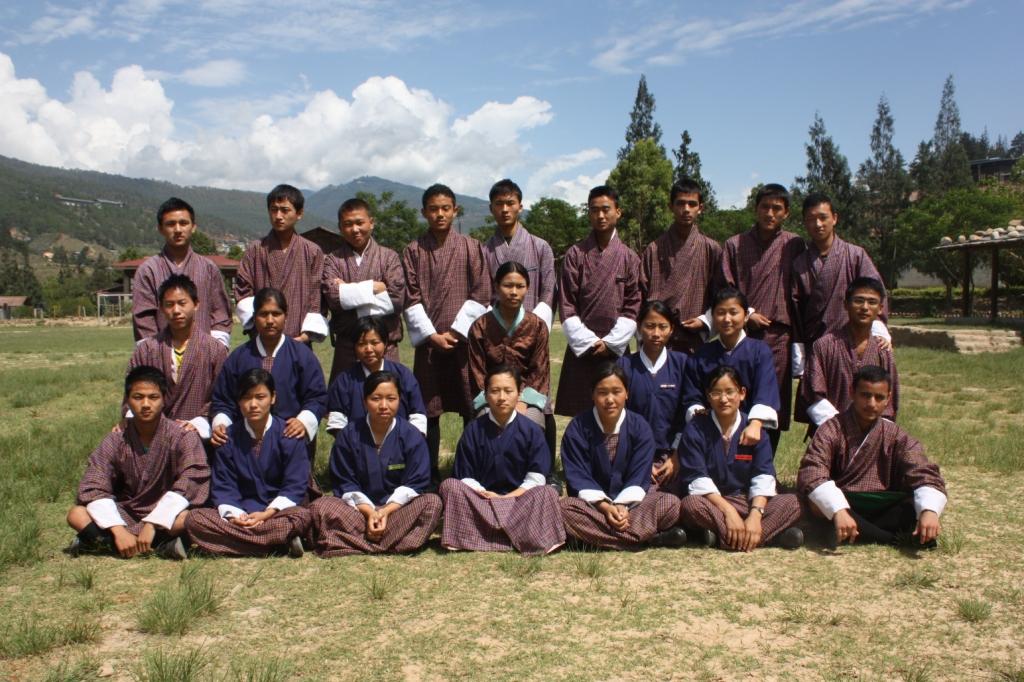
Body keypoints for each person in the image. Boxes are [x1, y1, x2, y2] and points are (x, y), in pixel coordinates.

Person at [66, 366, 209, 559]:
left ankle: (100, 544)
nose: (146, 404)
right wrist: (118, 530)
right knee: (76, 514)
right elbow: (93, 484)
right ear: (128, 400)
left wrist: (152, 523)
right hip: (127, 513)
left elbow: (193, 479)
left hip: (166, 514)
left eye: (153, 397)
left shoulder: (183, 437)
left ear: (164, 399)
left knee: (189, 519)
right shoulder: (117, 439)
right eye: (138, 397)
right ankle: (155, 547)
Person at [798, 365, 946, 549]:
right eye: (865, 395)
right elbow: (812, 472)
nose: (871, 404)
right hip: (844, 502)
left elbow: (924, 471)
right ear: (852, 393)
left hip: (882, 505)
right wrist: (838, 509)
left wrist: (929, 511)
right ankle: (890, 538)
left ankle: (849, 533)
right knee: (817, 505)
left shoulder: (895, 434)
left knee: (912, 505)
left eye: (879, 397)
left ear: (888, 399)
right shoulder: (831, 429)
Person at [401, 183, 491, 484]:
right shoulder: (413, 251)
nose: (439, 214)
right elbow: (410, 298)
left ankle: (469, 471)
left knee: (470, 406)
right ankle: (428, 476)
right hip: (429, 346)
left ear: (455, 210)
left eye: (445, 208)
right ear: (424, 211)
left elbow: (482, 292)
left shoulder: (471, 247)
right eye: (433, 208)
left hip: (464, 344)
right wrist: (432, 336)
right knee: (429, 410)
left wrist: (454, 331)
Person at [310, 371, 442, 556]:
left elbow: (416, 482)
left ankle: (353, 543)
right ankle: (393, 544)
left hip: (398, 512)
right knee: (319, 507)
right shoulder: (349, 434)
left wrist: (385, 512)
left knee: (432, 503)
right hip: (357, 513)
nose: (383, 406)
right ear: (365, 401)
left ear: (399, 400)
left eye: (391, 398)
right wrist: (370, 512)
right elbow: (345, 482)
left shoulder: (411, 435)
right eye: (376, 398)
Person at [439, 366, 565, 556]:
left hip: (521, 502)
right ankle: (517, 533)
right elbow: (465, 476)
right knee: (450, 486)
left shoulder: (532, 431)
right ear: (486, 394)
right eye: (495, 391)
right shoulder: (473, 430)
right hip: (483, 502)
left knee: (547, 493)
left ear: (519, 393)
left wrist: (508, 498)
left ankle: (486, 535)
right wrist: (486, 495)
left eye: (508, 391)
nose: (502, 398)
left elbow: (537, 477)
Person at [186, 369, 312, 557]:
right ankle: (276, 543)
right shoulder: (227, 438)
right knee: (195, 519)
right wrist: (236, 517)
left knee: (301, 516)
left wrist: (267, 514)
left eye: (260, 397)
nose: (253, 404)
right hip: (241, 513)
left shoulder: (289, 434)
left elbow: (295, 485)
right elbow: (224, 486)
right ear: (238, 401)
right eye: (246, 398)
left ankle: (240, 544)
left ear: (273, 398)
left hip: (277, 513)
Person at [718, 183, 805, 451]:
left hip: (778, 335)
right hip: (742, 333)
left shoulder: (794, 244)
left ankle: (765, 462)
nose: (770, 213)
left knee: (772, 399)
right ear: (755, 209)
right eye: (765, 207)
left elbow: (799, 289)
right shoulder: (735, 244)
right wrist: (749, 314)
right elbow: (726, 286)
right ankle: (733, 458)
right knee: (737, 394)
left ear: (786, 213)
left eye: (777, 208)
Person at [677, 366, 804, 551]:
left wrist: (755, 515)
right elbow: (696, 477)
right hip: (713, 502)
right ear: (708, 396)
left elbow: (763, 475)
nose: (723, 399)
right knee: (690, 505)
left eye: (730, 392)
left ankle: (728, 536)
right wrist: (728, 511)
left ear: (742, 393)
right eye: (716, 393)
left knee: (794, 502)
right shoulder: (696, 428)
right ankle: (762, 537)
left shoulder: (753, 428)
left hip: (747, 501)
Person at [559, 363, 682, 550]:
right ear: (592, 394)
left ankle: (597, 538)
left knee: (671, 504)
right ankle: (645, 539)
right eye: (602, 393)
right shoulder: (577, 428)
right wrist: (607, 508)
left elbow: (640, 475)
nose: (610, 399)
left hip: (632, 505)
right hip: (594, 507)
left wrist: (623, 506)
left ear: (627, 393)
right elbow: (578, 477)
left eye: (616, 391)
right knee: (564, 509)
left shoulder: (640, 427)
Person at [210, 288, 327, 461]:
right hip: (245, 441)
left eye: (276, 314)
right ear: (254, 317)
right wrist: (221, 424)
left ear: (285, 316)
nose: (270, 320)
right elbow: (223, 399)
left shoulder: (303, 356)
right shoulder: (239, 357)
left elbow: (317, 397)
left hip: (290, 438)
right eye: (263, 314)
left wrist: (303, 421)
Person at [556, 185, 641, 418]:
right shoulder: (575, 254)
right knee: (581, 412)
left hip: (615, 348)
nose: (600, 215)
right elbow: (567, 304)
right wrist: (590, 342)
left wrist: (610, 343)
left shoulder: (630, 258)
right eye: (594, 210)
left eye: (606, 209)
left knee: (614, 411)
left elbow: (633, 305)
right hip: (583, 349)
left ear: (618, 212)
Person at [791, 192, 890, 367]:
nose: (818, 224)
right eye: (811, 219)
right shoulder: (799, 264)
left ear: (834, 218)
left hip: (854, 342)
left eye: (823, 217)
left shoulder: (855, 255)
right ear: (805, 222)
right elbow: (795, 311)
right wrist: (799, 351)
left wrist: (879, 329)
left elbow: (876, 294)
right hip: (816, 345)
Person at [126, 274, 228, 440]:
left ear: (196, 304)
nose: (176, 311)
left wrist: (199, 422)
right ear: (161, 308)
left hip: (200, 438)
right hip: (155, 436)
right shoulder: (147, 349)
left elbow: (223, 396)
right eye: (169, 305)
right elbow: (132, 394)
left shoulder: (215, 350)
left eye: (182, 303)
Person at [681, 288, 780, 450]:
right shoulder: (701, 356)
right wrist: (705, 424)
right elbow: (693, 398)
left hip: (749, 432)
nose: (727, 319)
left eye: (733, 312)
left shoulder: (760, 352)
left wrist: (755, 424)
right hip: (710, 434)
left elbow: (765, 392)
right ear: (712, 316)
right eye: (720, 313)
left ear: (746, 315)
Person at [321, 198, 405, 382]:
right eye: (348, 224)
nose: (355, 229)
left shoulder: (389, 257)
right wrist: (375, 287)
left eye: (360, 222)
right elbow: (334, 299)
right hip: (347, 348)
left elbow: (396, 300)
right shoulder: (333, 260)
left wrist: (347, 291)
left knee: (387, 405)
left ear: (371, 223)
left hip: (385, 347)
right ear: (340, 227)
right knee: (344, 406)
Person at [800, 277, 899, 429]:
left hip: (871, 435)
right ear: (846, 305)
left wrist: (874, 433)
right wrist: (839, 427)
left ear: (880, 309)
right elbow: (813, 393)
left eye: (872, 302)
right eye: (858, 301)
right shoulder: (824, 346)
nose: (865, 307)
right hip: (828, 431)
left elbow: (889, 402)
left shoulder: (883, 351)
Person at [234, 184, 328, 344]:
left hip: (299, 339)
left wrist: (306, 335)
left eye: (285, 210)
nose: (278, 216)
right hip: (261, 337)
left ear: (299, 213)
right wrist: (257, 329)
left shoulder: (312, 252)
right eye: (273, 209)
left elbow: (317, 296)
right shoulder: (255, 250)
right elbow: (243, 290)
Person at [131, 197, 232, 347]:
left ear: (193, 227)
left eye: (183, 223)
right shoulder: (148, 270)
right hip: (161, 356)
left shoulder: (208, 268)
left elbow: (220, 313)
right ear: (160, 228)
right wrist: (153, 354)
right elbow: (143, 319)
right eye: (171, 224)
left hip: (204, 353)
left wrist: (215, 349)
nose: (178, 230)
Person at [640, 178, 722, 354]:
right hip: (658, 339)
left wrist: (705, 320)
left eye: (692, 204)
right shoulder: (654, 249)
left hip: (695, 340)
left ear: (701, 208)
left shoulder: (711, 249)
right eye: (680, 203)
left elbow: (721, 296)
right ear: (671, 206)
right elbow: (640, 295)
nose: (686, 209)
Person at [467, 261, 550, 432]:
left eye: (520, 286)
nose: (513, 292)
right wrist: (497, 399)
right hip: (492, 397)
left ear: (527, 288)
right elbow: (477, 373)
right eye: (508, 286)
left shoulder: (537, 326)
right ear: (496, 287)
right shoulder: (480, 326)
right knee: (485, 424)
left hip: (526, 398)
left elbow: (539, 372)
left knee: (532, 423)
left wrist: (521, 401)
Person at [616, 300, 688, 496]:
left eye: (662, 327)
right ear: (639, 328)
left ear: (671, 329)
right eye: (649, 326)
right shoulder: (624, 365)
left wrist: (677, 456)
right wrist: (640, 460)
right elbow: (618, 417)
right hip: (633, 452)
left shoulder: (682, 364)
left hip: (673, 455)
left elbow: (688, 413)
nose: (656, 333)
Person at [326, 316, 427, 438]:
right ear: (354, 347)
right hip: (357, 449)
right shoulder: (345, 380)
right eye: (361, 344)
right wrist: (351, 447)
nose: (368, 349)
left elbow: (417, 415)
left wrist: (408, 444)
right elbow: (337, 422)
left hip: (400, 447)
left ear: (385, 344)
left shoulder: (403, 375)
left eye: (375, 343)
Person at [480, 179, 556, 331]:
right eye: (499, 204)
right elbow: (481, 295)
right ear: (491, 208)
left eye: (510, 203)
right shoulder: (483, 251)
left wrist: (534, 325)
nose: (505, 209)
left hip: (533, 329)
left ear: (520, 207)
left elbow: (549, 290)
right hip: (495, 330)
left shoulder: (541, 247)